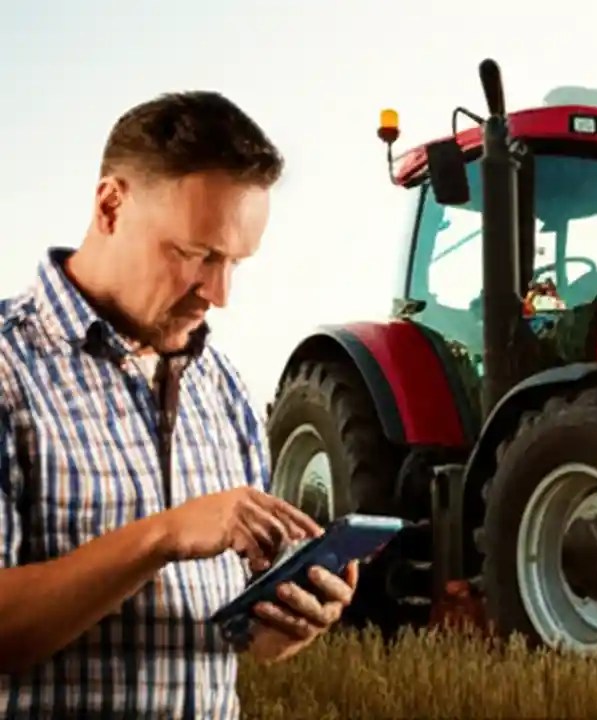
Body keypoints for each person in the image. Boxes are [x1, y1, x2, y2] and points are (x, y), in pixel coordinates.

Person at [0, 90, 357, 718]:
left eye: (234, 264)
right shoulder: (8, 369)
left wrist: (289, 623)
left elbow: (238, 636)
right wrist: (162, 536)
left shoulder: (225, 389)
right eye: (196, 255)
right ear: (111, 206)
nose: (218, 294)